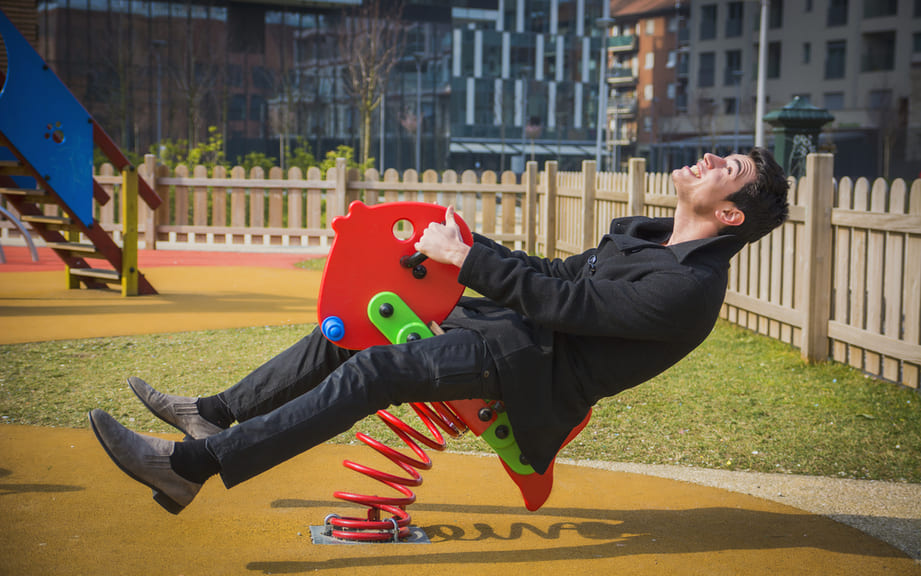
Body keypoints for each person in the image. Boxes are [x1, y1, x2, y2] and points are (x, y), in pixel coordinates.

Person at [89, 148, 789, 514]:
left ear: (731, 215)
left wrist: (469, 260)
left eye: (726, 169)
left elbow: (559, 305)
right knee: (355, 324)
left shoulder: (687, 290)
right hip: (510, 335)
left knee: (376, 370)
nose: (708, 159)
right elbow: (554, 272)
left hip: (531, 376)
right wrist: (466, 242)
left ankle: (190, 468)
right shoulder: (650, 240)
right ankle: (213, 414)